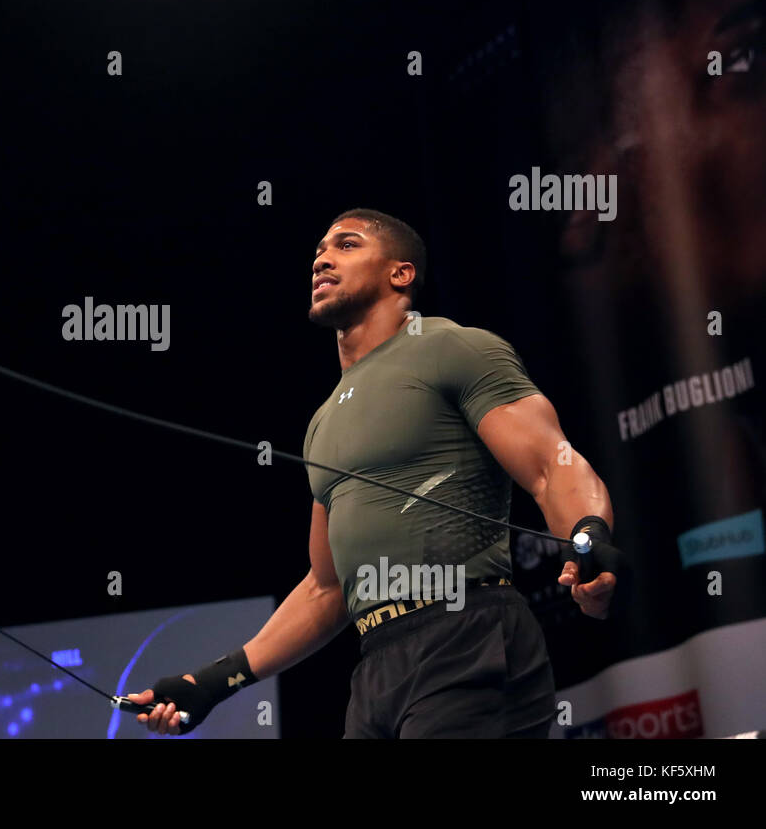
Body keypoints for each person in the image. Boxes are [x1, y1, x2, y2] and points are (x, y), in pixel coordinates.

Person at [125, 208, 621, 737]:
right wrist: (211, 681)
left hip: (466, 633)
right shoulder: (322, 421)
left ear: (400, 273)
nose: (321, 259)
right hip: (376, 667)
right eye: (318, 250)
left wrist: (588, 536)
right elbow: (326, 587)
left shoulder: (452, 347)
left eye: (347, 244)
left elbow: (552, 464)